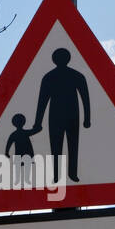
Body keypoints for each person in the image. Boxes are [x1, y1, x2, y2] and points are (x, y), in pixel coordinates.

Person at [32, 47, 90, 182]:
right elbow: (42, 101)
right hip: (60, 117)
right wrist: (38, 122)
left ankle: (68, 174)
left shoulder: (53, 76)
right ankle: (59, 175)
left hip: (67, 117)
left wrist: (87, 118)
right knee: (62, 146)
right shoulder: (53, 77)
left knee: (64, 146)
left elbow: (85, 98)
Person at [4, 113, 40, 186]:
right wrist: (6, 152)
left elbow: (9, 143)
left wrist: (7, 152)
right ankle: (19, 180)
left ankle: (24, 180)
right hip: (24, 154)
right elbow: (9, 143)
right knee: (22, 167)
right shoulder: (22, 133)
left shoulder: (15, 134)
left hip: (24, 154)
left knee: (25, 167)